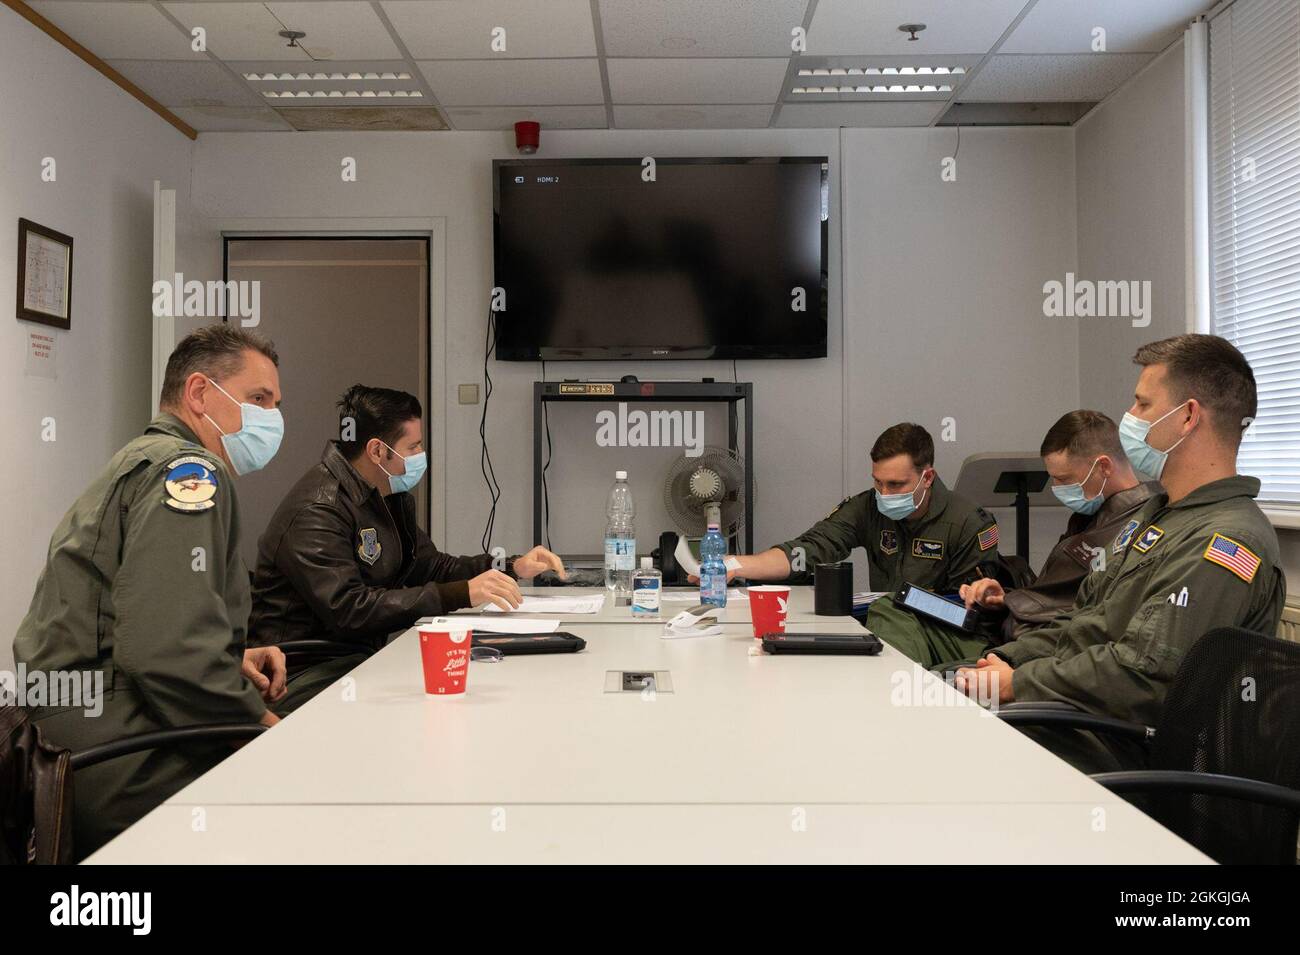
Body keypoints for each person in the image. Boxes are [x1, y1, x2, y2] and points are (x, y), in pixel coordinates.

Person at [14, 324, 289, 855]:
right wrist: (261, 727)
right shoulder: (190, 472)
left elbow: (139, 618)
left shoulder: (146, 458)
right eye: (258, 399)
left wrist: (227, 657)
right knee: (289, 803)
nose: (271, 418)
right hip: (110, 745)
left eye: (275, 404)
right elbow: (164, 648)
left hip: (72, 727)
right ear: (199, 393)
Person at [955, 335, 1286, 772]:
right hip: (1089, 717)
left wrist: (1018, 683)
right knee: (941, 683)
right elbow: (1086, 622)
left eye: (1142, 405)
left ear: (1187, 416)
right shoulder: (1155, 516)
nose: (1129, 417)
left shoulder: (1225, 541)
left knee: (957, 742)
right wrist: (1012, 658)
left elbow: (1145, 677)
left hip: (1134, 748)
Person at [249, 384, 565, 713]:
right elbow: (350, 610)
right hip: (301, 672)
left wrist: (512, 566)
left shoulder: (384, 496)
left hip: (353, 660)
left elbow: (432, 567)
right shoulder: (318, 509)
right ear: (376, 451)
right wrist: (461, 594)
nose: (420, 456)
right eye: (412, 447)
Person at [870, 411, 1158, 667]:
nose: (1056, 487)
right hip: (1009, 628)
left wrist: (1009, 658)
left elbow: (1085, 625)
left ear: (1104, 467)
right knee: (894, 604)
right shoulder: (1091, 516)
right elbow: (1053, 597)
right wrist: (1004, 598)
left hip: (1032, 653)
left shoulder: (1139, 530)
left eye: (1064, 478)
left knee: (931, 684)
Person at [722, 423, 1001, 594]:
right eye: (878, 482)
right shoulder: (868, 507)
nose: (885, 494)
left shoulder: (969, 522)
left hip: (944, 634)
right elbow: (809, 549)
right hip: (886, 626)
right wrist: (733, 565)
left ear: (927, 478)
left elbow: (968, 608)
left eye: (895, 484)